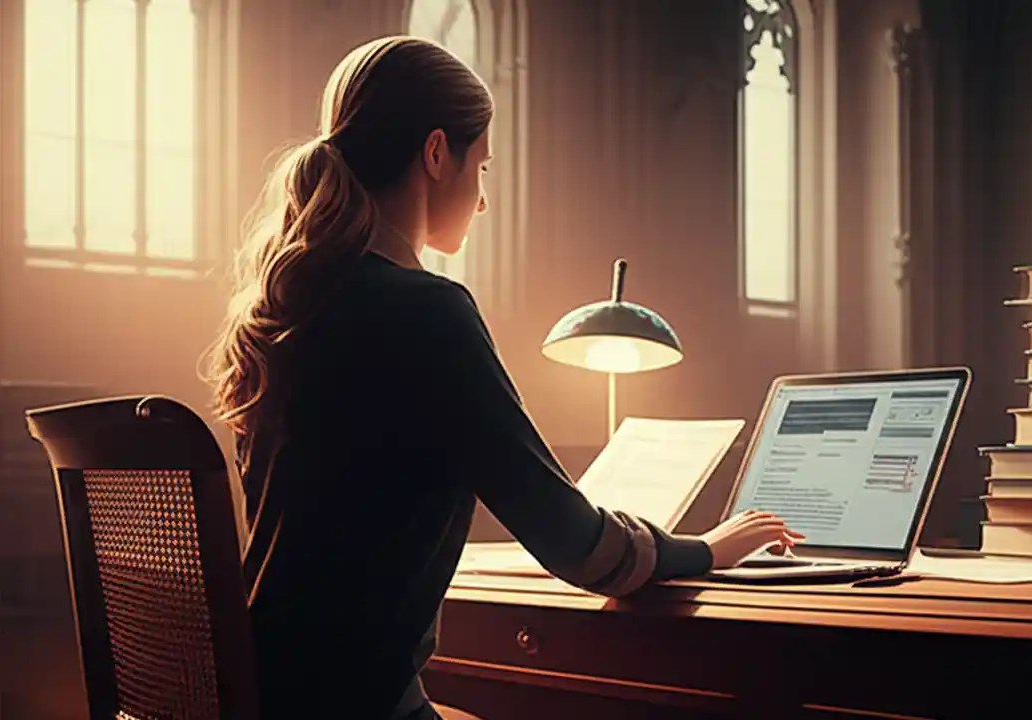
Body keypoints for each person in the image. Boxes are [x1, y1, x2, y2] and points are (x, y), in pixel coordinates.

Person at [201, 36, 803, 719]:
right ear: (436, 153)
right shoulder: (425, 311)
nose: (483, 199)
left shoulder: (291, 312)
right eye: (482, 165)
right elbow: (575, 545)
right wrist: (707, 551)